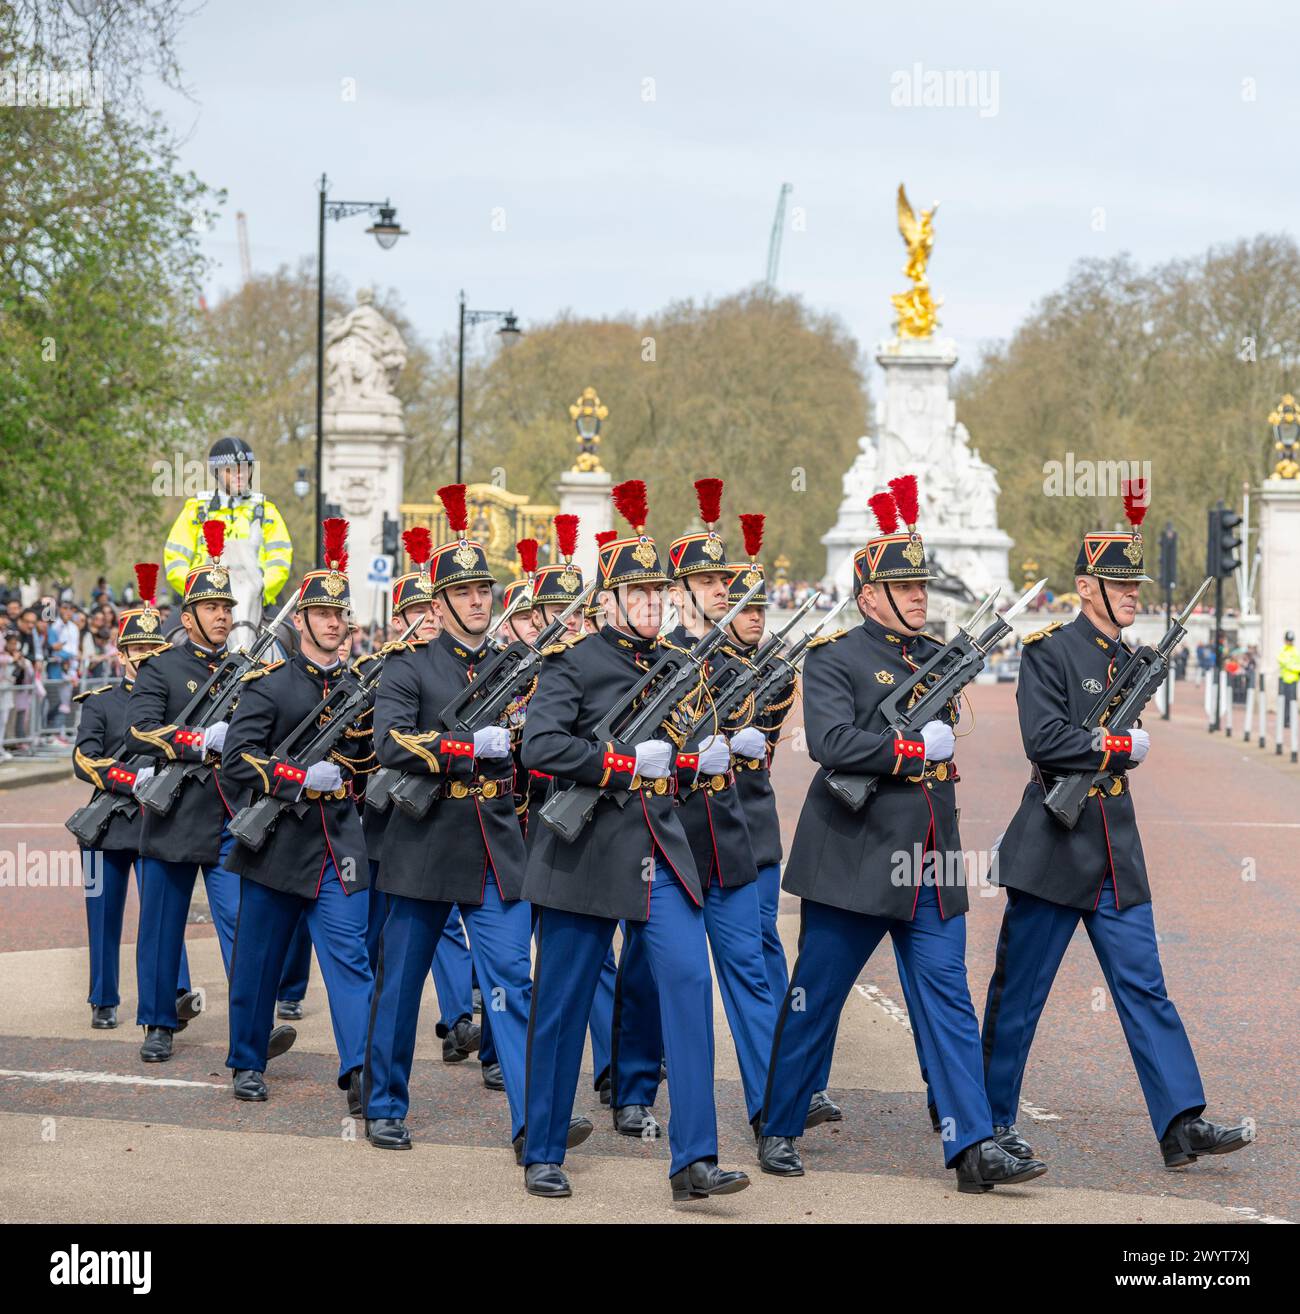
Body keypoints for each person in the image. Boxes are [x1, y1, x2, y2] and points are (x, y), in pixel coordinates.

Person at [759, 475, 1047, 1193]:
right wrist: (914, 749)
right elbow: (829, 742)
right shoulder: (833, 657)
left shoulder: (935, 656)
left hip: (931, 859)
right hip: (855, 855)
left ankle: (970, 1143)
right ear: (869, 597)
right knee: (815, 997)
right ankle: (779, 1124)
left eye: (921, 585)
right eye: (904, 587)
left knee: (948, 1001)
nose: (920, 596)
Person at [981, 483, 1253, 1171]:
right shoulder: (1051, 651)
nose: (1133, 593)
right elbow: (1043, 739)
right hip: (1053, 843)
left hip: (1112, 848)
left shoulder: (1130, 659)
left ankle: (1181, 1119)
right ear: (1085, 587)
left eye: (1137, 583)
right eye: (1119, 583)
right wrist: (1116, 746)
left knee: (1144, 986)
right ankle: (988, 1124)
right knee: (1021, 997)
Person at [520, 479, 749, 1202]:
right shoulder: (573, 663)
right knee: (561, 1000)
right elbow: (540, 745)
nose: (653, 605)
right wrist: (618, 764)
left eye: (659, 594)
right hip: (585, 851)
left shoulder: (676, 669)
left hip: (660, 847)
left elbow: (674, 752)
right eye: (639, 595)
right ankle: (545, 1147)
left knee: (687, 984)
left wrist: (694, 761)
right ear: (608, 603)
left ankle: (694, 1158)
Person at [364, 485, 556, 1159]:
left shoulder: (516, 666)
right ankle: (385, 1103)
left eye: (485, 590)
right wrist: (463, 748)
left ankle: (535, 1127)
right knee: (401, 985)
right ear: (440, 603)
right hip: (423, 842)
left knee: (513, 981)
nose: (479, 600)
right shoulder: (408, 667)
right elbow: (390, 743)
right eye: (465, 592)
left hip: (495, 842)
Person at [126, 521, 296, 1065]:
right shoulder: (160, 668)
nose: (224, 615)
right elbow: (141, 730)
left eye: (227, 605)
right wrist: (198, 741)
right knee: (161, 925)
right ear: (188, 615)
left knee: (244, 925)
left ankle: (254, 1022)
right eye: (212, 606)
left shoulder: (246, 671)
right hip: (174, 811)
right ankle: (158, 1020)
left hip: (229, 813)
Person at [220, 519, 376, 1110]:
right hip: (279, 843)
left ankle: (360, 1069)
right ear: (302, 621)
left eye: (341, 614)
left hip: (338, 844)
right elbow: (237, 760)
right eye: (323, 614)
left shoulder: (358, 685)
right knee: (258, 963)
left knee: (351, 962)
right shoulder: (270, 684)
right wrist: (295, 779)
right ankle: (247, 1059)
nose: (335, 623)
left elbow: (366, 763)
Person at [719, 512, 842, 1128]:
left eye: (759, 610)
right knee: (651, 969)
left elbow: (766, 727)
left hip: (753, 824)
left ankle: (786, 1088)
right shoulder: (690, 661)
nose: (755, 618)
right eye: (744, 609)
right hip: (689, 826)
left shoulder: (770, 666)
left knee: (762, 950)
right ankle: (630, 1083)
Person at [69, 564, 201, 1031]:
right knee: (102, 917)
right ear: (122, 653)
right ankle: (103, 997)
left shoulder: (175, 700)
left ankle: (176, 992)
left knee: (164, 912)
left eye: (152, 648)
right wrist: (128, 779)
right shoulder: (100, 702)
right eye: (136, 649)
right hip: (104, 826)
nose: (144, 655)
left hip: (154, 821)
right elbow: (83, 760)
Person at [163, 437, 293, 630]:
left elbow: (280, 561)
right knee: (164, 638)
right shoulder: (195, 510)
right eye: (231, 469)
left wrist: (260, 591)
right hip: (202, 600)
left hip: (256, 601)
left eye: (245, 468)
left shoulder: (267, 511)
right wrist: (197, 592)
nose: (239, 474)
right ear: (216, 472)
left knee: (293, 641)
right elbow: (175, 559)